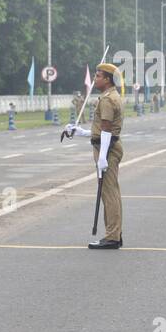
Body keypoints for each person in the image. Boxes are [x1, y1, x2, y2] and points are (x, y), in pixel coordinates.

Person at [63, 62, 126, 249]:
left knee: (109, 194)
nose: (95, 79)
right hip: (107, 144)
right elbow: (99, 130)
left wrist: (103, 157)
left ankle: (112, 237)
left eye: (98, 76)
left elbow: (106, 129)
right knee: (110, 192)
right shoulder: (111, 95)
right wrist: (79, 131)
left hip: (108, 148)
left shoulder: (107, 99)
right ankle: (114, 234)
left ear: (107, 79)